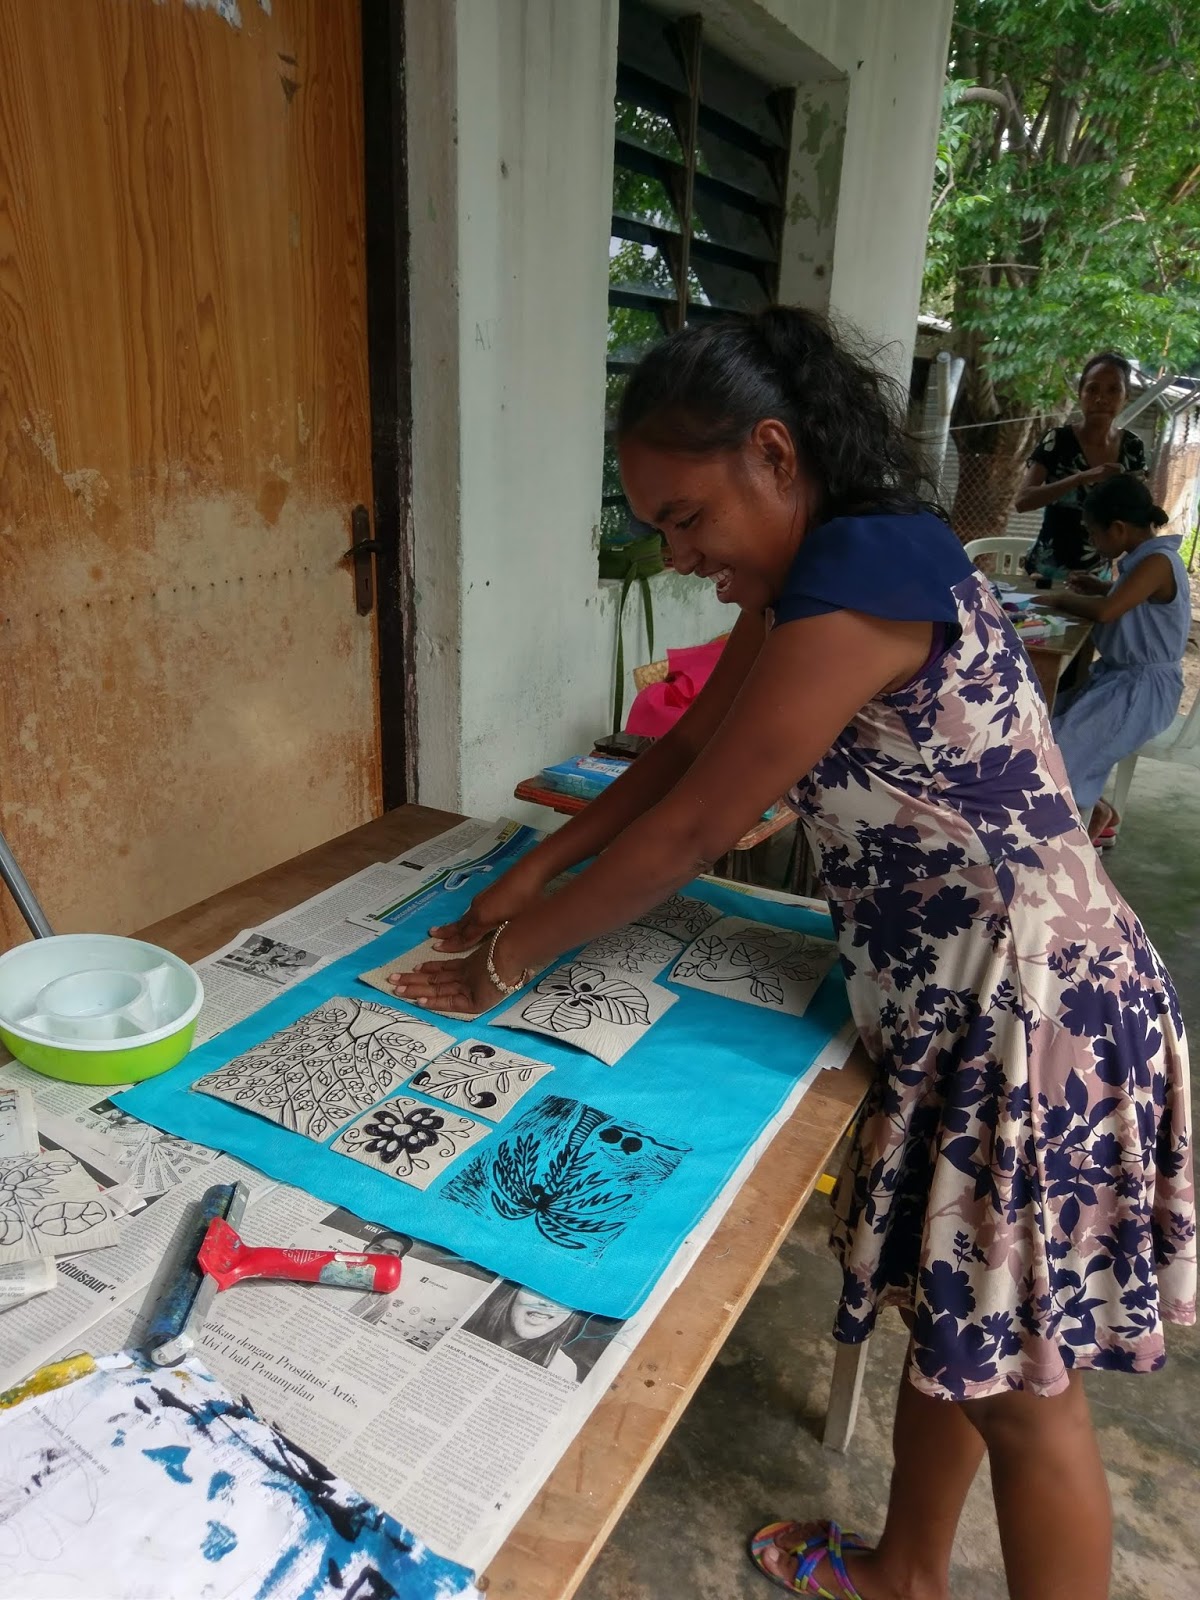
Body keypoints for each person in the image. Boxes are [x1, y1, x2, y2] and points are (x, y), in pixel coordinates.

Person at [394, 307, 1195, 1600]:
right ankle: (908, 1569)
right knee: (961, 1332)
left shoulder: (859, 590)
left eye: (687, 516)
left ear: (775, 453)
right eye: (656, 528)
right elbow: (685, 751)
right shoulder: (831, 569)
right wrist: (531, 868)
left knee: (1030, 1408)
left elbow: (702, 826)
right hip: (971, 1004)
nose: (681, 552)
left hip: (1024, 1011)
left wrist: (504, 961)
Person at [1046, 477, 1189, 845]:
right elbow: (1126, 600)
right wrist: (1101, 587)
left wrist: (1061, 601)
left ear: (1119, 528)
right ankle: (1098, 811)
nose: (1093, 543)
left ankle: (1066, 844)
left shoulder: (1158, 561)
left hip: (1142, 690)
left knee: (1059, 753)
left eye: (1094, 534)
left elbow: (1109, 612)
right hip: (1122, 680)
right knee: (1050, 726)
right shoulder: (1145, 561)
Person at [1014, 352, 1148, 579]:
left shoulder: (1132, 447)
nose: (1101, 398)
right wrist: (1080, 478)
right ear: (1080, 394)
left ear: (1126, 396)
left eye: (1113, 390)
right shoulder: (1058, 440)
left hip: (1098, 578)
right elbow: (1022, 501)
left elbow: (1139, 514)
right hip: (1046, 573)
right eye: (1092, 389)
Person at [463, 1284, 589, 1380]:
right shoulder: (458, 1321)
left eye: (566, 1297)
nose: (548, 1304)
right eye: (538, 1287)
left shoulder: (561, 1368)